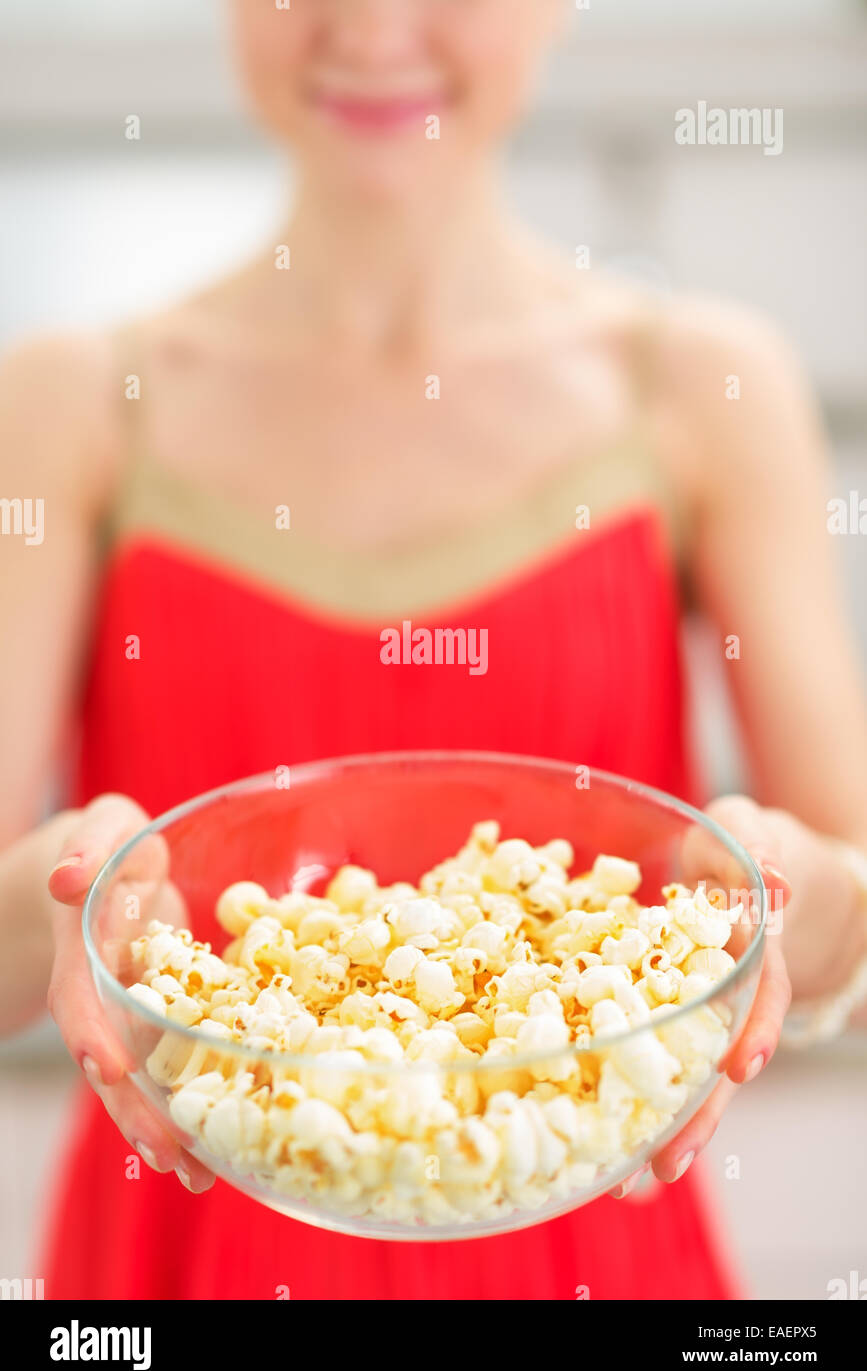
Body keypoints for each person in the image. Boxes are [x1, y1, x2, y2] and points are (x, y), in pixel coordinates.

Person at [1, 0, 865, 1300]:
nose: (373, 26)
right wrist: (75, 898)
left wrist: (786, 904)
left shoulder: (700, 387)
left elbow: (853, 902)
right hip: (186, 1240)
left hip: (590, 1228)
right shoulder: (71, 402)